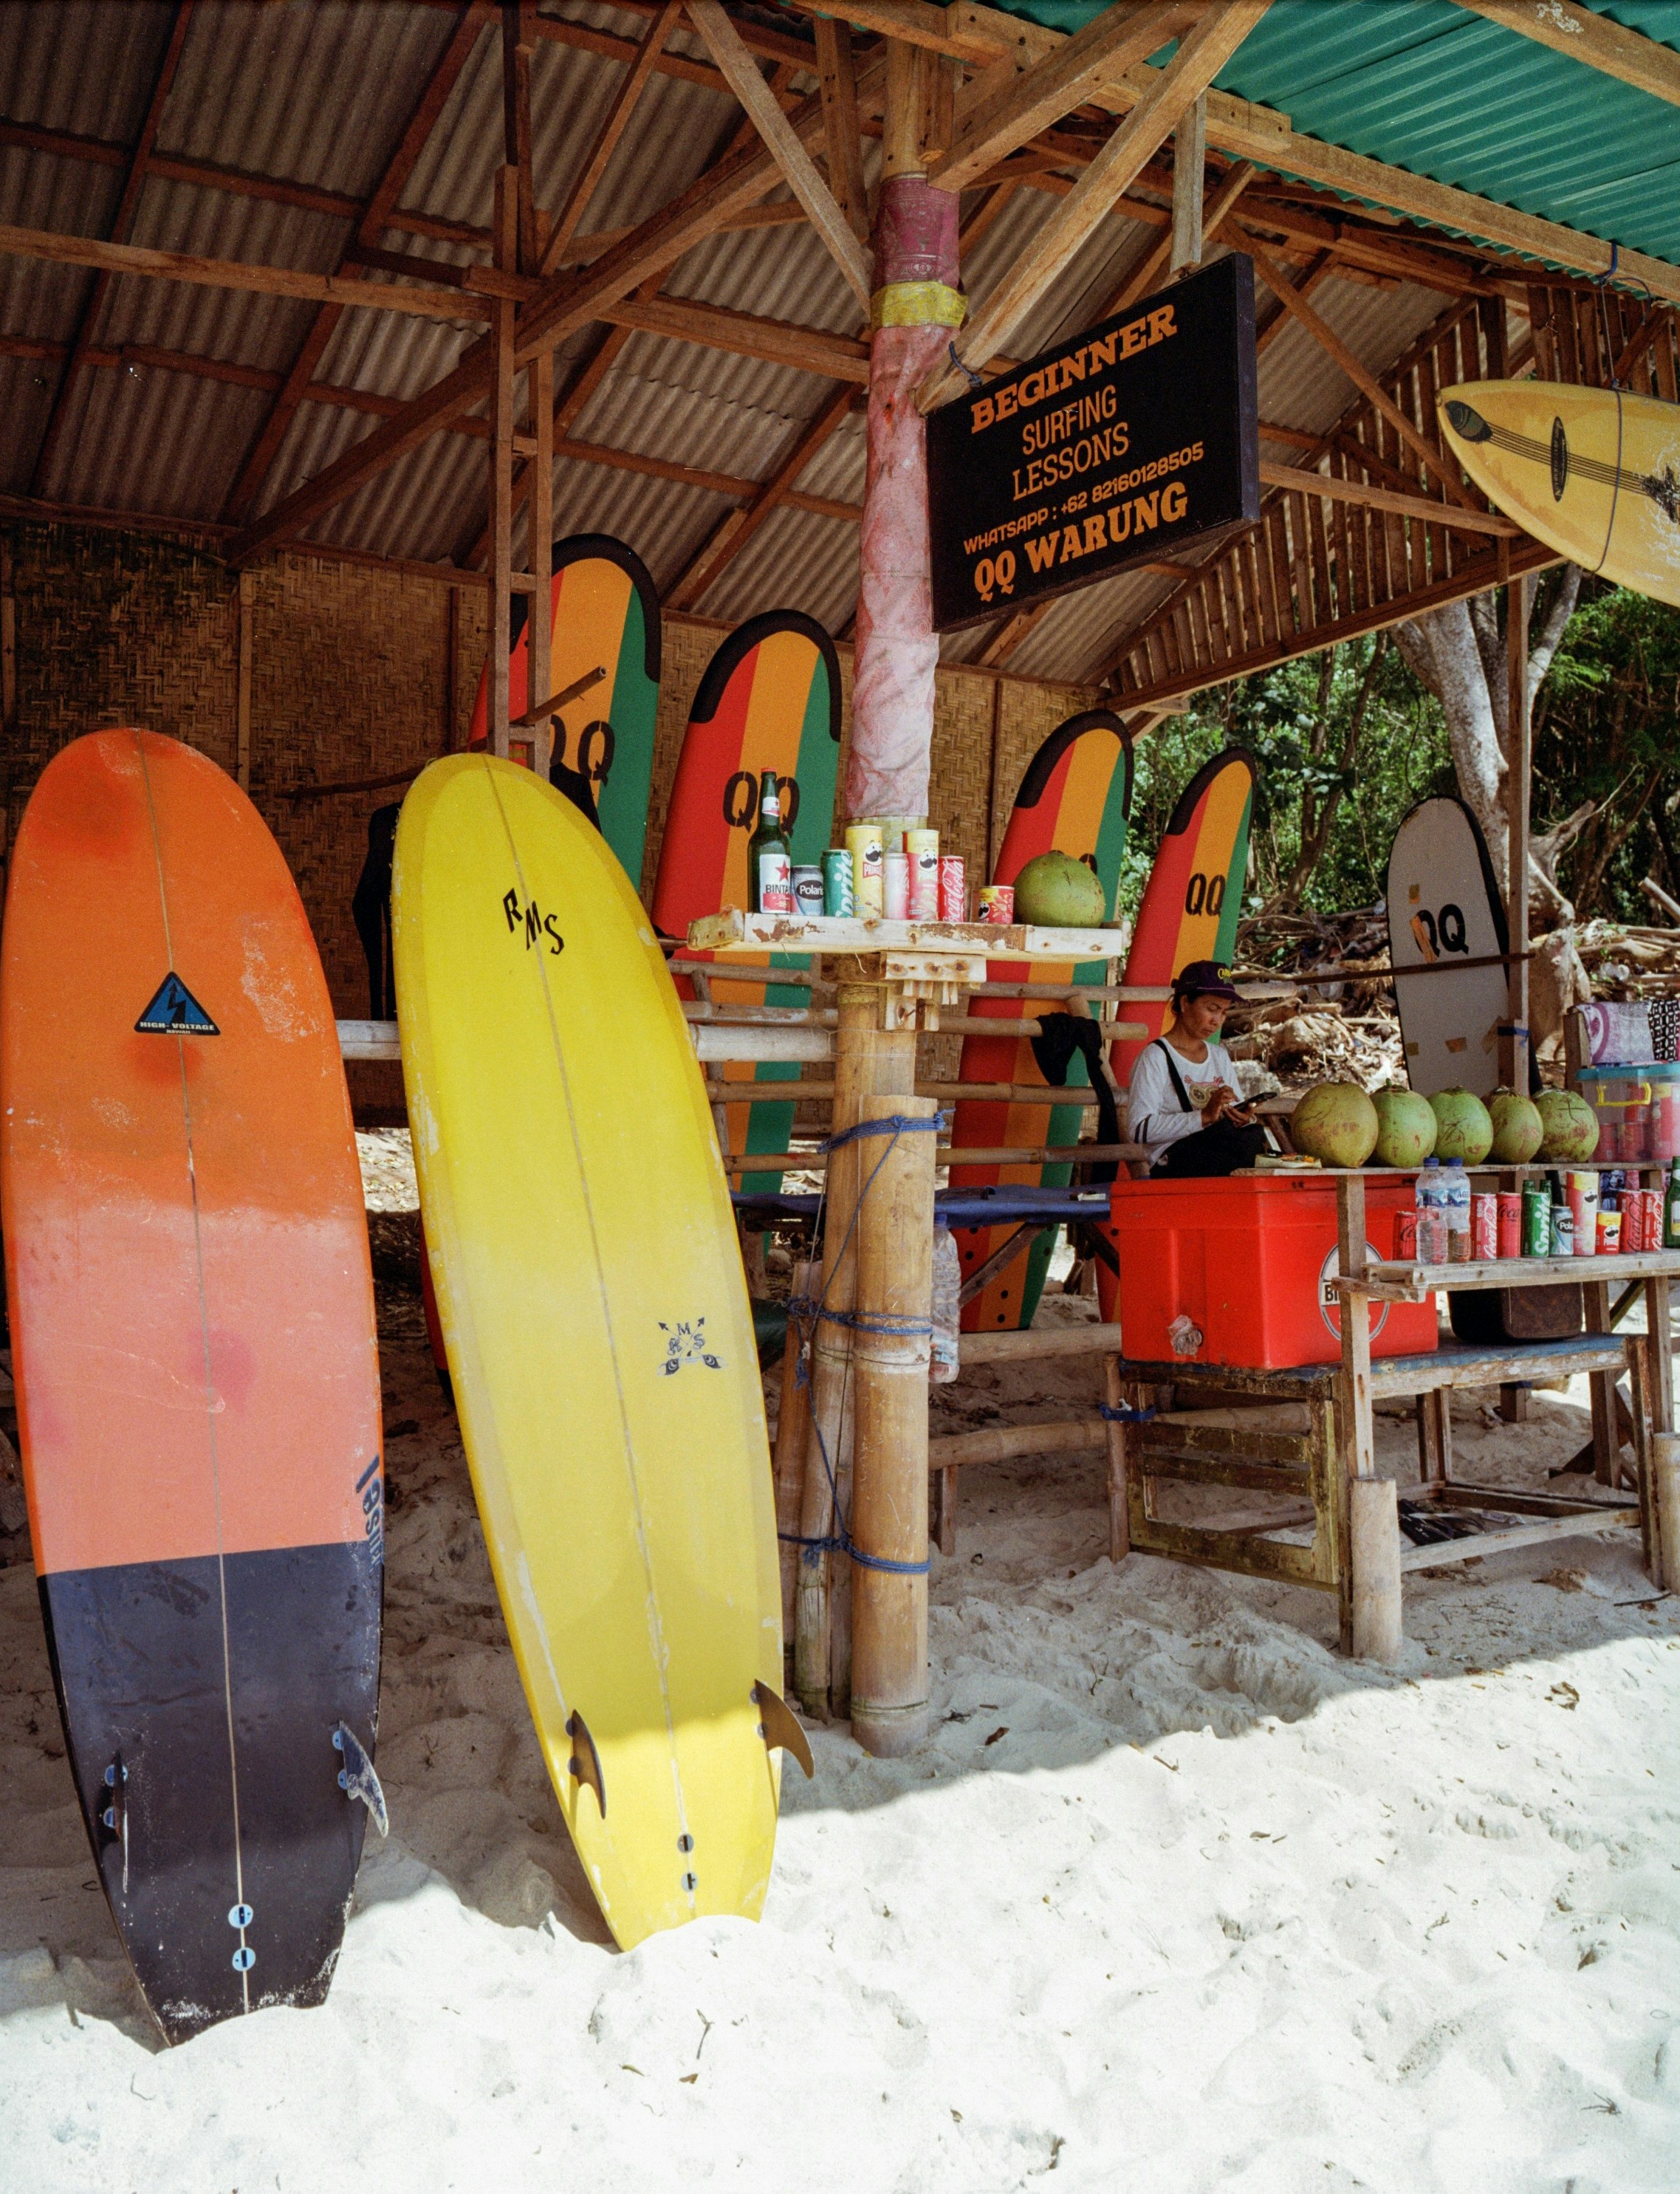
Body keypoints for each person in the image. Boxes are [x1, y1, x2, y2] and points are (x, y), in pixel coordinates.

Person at [1127, 961, 1270, 1178]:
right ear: (1185, 1003)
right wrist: (1202, 1117)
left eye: (1224, 1012)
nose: (1217, 1021)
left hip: (1216, 1161)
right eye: (1211, 1009)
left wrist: (1241, 1117)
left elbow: (1230, 1115)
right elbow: (1139, 1129)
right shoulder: (1156, 1056)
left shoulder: (1218, 1055)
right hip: (1177, 1168)